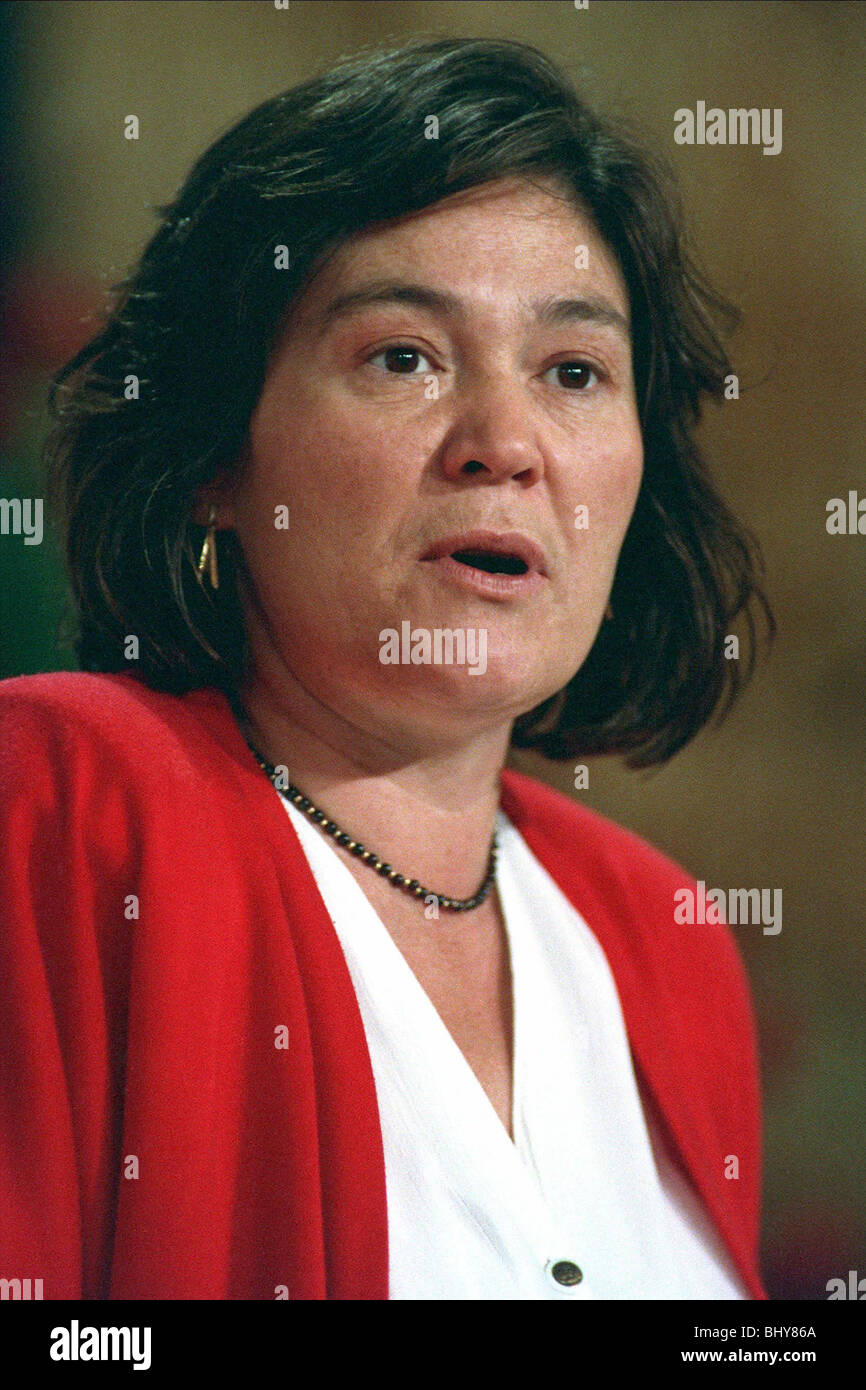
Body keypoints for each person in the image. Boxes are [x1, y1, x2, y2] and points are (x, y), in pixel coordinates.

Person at [0, 37, 773, 1300]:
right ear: (215, 457)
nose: (505, 444)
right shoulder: (59, 800)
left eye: (573, 372)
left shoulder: (661, 936)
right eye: (403, 356)